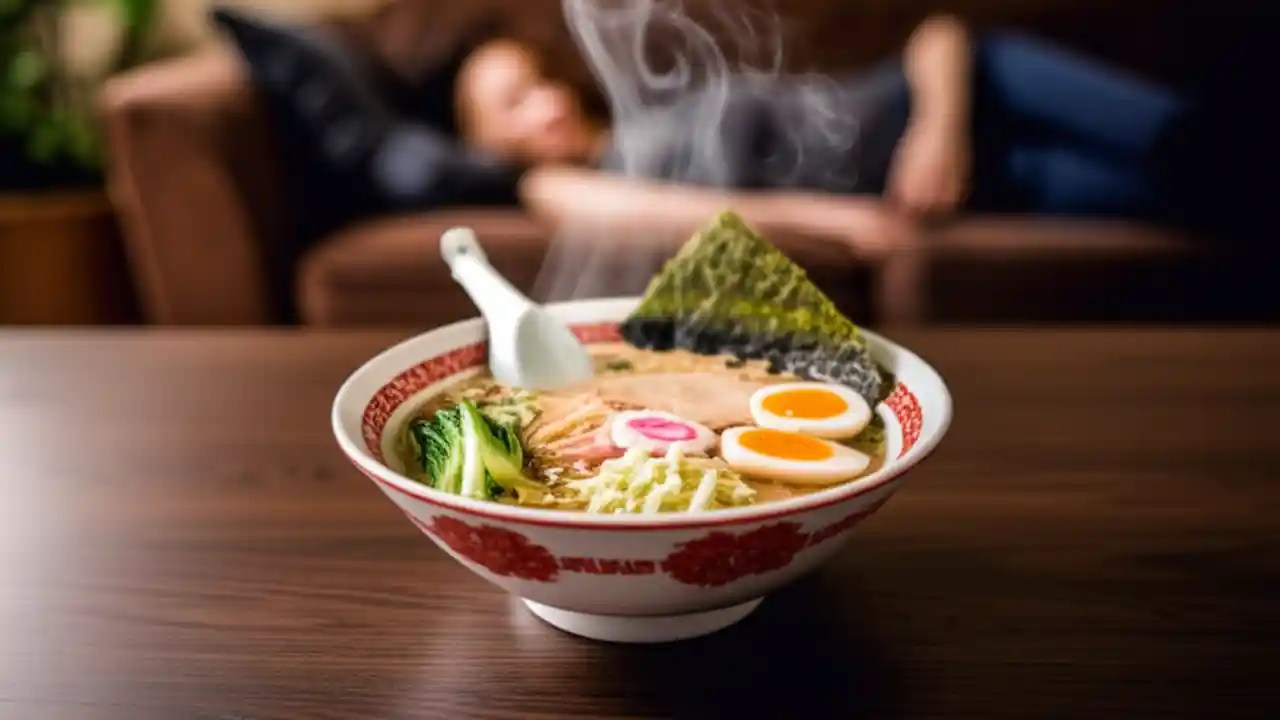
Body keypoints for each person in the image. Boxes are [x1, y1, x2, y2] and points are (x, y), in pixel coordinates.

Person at [452, 15, 1208, 252]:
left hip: (966, 88)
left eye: (538, 80)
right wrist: (845, 219)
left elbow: (939, 33)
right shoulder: (554, 186)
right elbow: (706, 223)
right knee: (1187, 194)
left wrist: (939, 132)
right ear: (486, 142)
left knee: (1189, 138)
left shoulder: (644, 105)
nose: (545, 103)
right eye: (512, 105)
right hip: (981, 187)